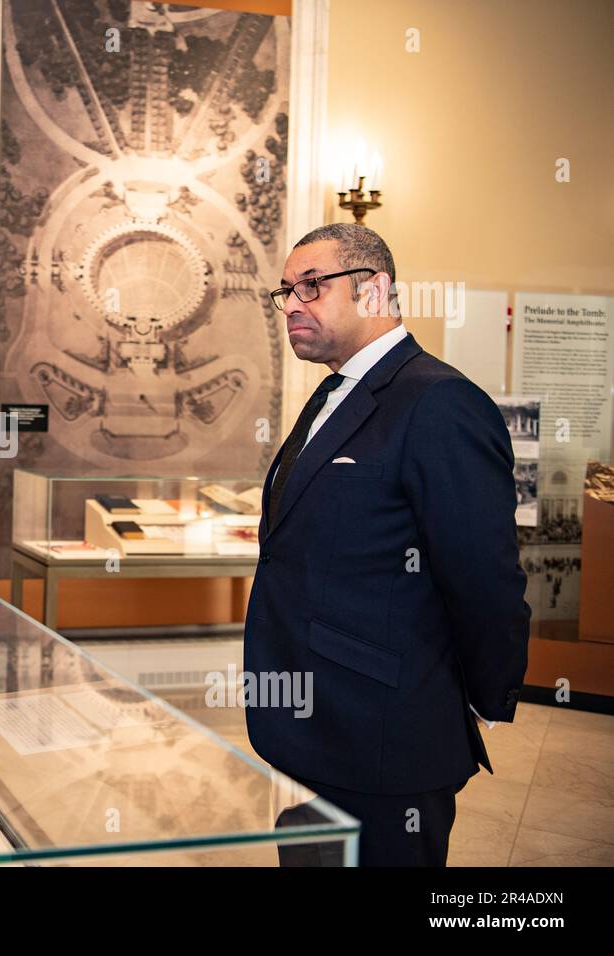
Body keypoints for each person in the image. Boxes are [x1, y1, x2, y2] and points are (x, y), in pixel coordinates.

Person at [249, 223, 529, 867]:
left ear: (374, 291)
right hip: (314, 723)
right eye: (285, 291)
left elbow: (484, 577)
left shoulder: (440, 401)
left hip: (384, 734)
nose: (292, 303)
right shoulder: (331, 391)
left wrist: (482, 701)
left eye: (312, 286)